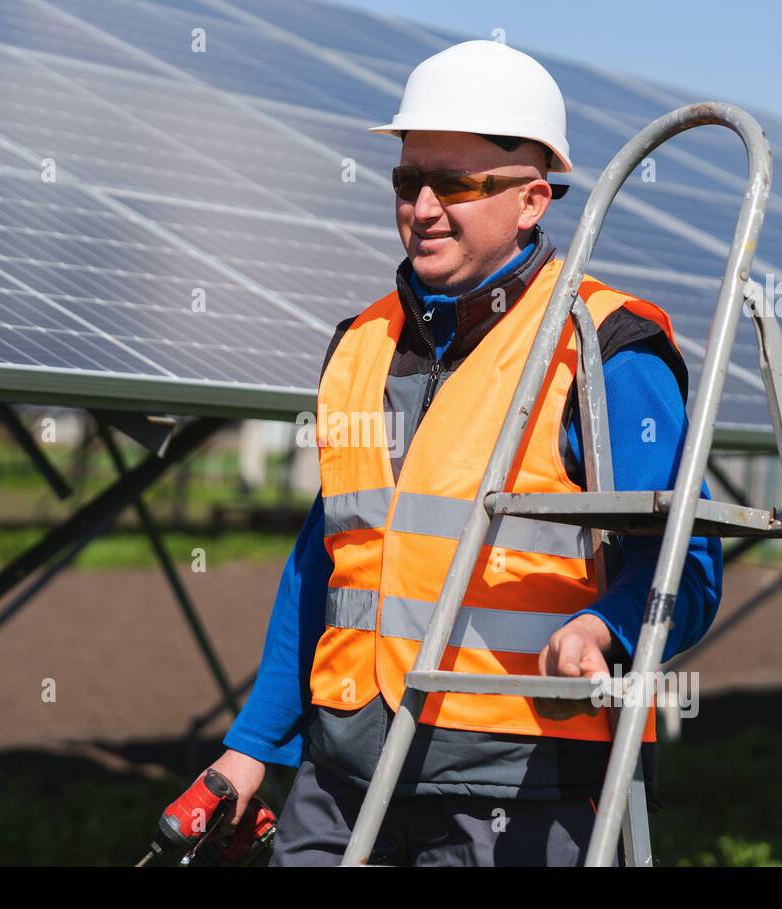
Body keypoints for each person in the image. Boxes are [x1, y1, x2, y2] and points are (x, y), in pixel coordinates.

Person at [198, 40, 722, 866]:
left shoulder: (607, 349)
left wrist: (605, 626)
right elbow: (324, 561)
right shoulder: (361, 343)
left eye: (458, 185)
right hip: (341, 782)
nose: (426, 207)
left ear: (532, 200)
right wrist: (252, 747)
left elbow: (685, 561)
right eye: (410, 182)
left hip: (519, 790)